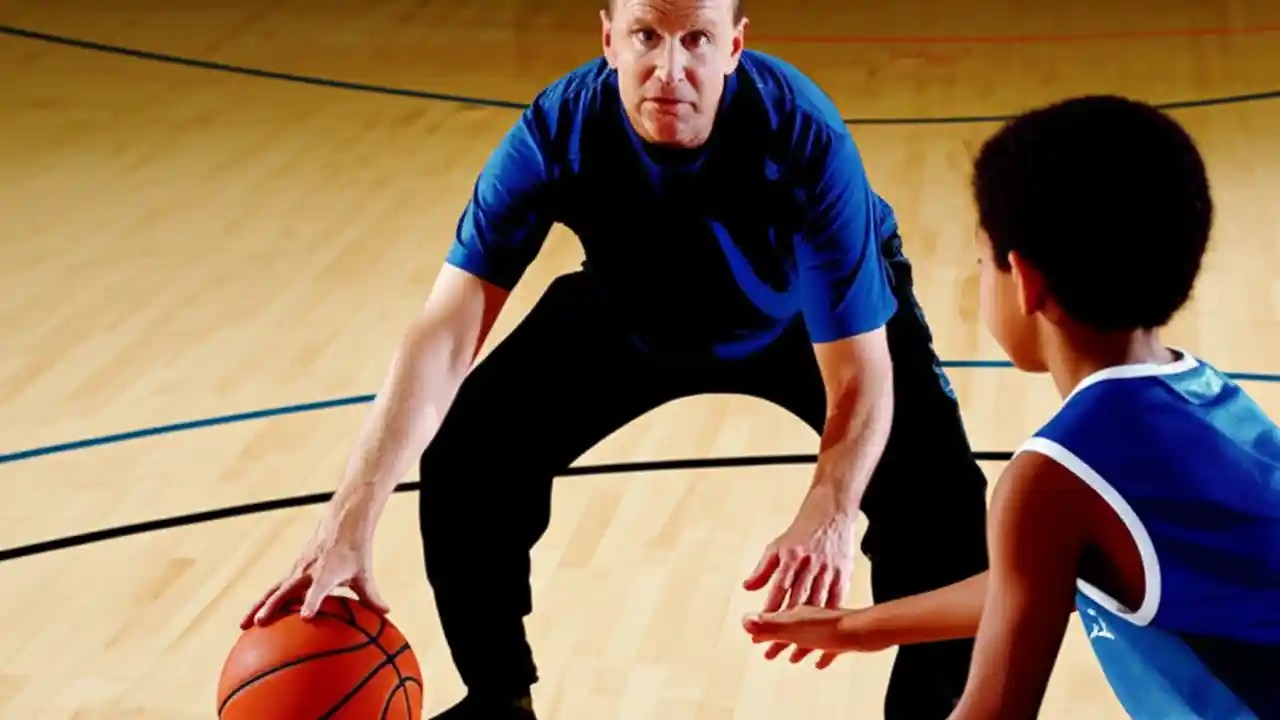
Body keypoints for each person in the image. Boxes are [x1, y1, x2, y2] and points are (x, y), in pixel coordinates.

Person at [241, 0, 990, 717]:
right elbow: (444, 331)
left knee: (945, 511)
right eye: (645, 36)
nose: (669, 69)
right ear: (608, 42)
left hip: (800, 316)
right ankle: (499, 698)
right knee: (470, 451)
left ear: (735, 48)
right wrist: (349, 517)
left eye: (696, 40)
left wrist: (829, 509)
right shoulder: (556, 130)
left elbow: (859, 377)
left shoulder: (803, 136)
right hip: (638, 309)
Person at [744, 94, 1280, 719]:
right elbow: (1037, 582)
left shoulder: (1055, 477)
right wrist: (862, 628)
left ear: (1024, 280)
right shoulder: (1206, 399)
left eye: (981, 262)